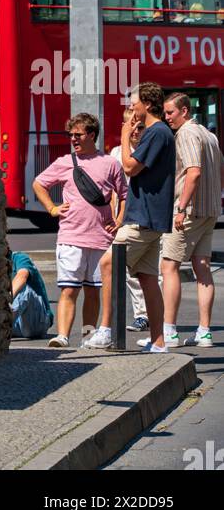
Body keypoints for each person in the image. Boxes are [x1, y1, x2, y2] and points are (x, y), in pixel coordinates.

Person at [84, 82, 176, 351]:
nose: (130, 107)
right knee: (147, 278)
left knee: (108, 263)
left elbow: (129, 166)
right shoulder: (159, 132)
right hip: (149, 216)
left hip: (142, 217)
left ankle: (105, 330)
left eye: (133, 102)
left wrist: (124, 135)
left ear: (147, 104)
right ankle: (158, 341)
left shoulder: (157, 132)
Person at [33, 113, 127, 347]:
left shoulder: (110, 163)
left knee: (93, 292)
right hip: (71, 236)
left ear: (92, 135)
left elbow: (124, 195)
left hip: (101, 238)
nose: (73, 139)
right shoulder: (64, 162)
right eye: (70, 135)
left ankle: (87, 337)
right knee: (68, 289)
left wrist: (119, 220)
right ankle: (62, 336)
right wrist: (52, 209)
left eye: (78, 135)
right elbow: (39, 183)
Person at [161, 93, 224, 348]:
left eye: (170, 113)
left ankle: (169, 332)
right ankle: (204, 332)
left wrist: (181, 207)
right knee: (203, 269)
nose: (167, 118)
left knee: (169, 267)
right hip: (210, 209)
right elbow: (217, 169)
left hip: (189, 210)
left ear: (184, 111)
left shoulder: (186, 133)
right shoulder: (210, 135)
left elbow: (193, 171)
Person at [109, 97, 151, 331]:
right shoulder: (117, 152)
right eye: (130, 126)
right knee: (126, 266)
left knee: (147, 269)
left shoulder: (149, 148)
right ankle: (142, 314)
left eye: (139, 126)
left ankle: (154, 314)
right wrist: (116, 216)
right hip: (124, 217)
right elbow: (115, 189)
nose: (135, 131)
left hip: (144, 217)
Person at [11, 250, 53, 339]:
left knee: (25, 289)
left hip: (36, 322)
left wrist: (6, 299)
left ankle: (4, 323)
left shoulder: (19, 258)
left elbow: (22, 276)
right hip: (15, 326)